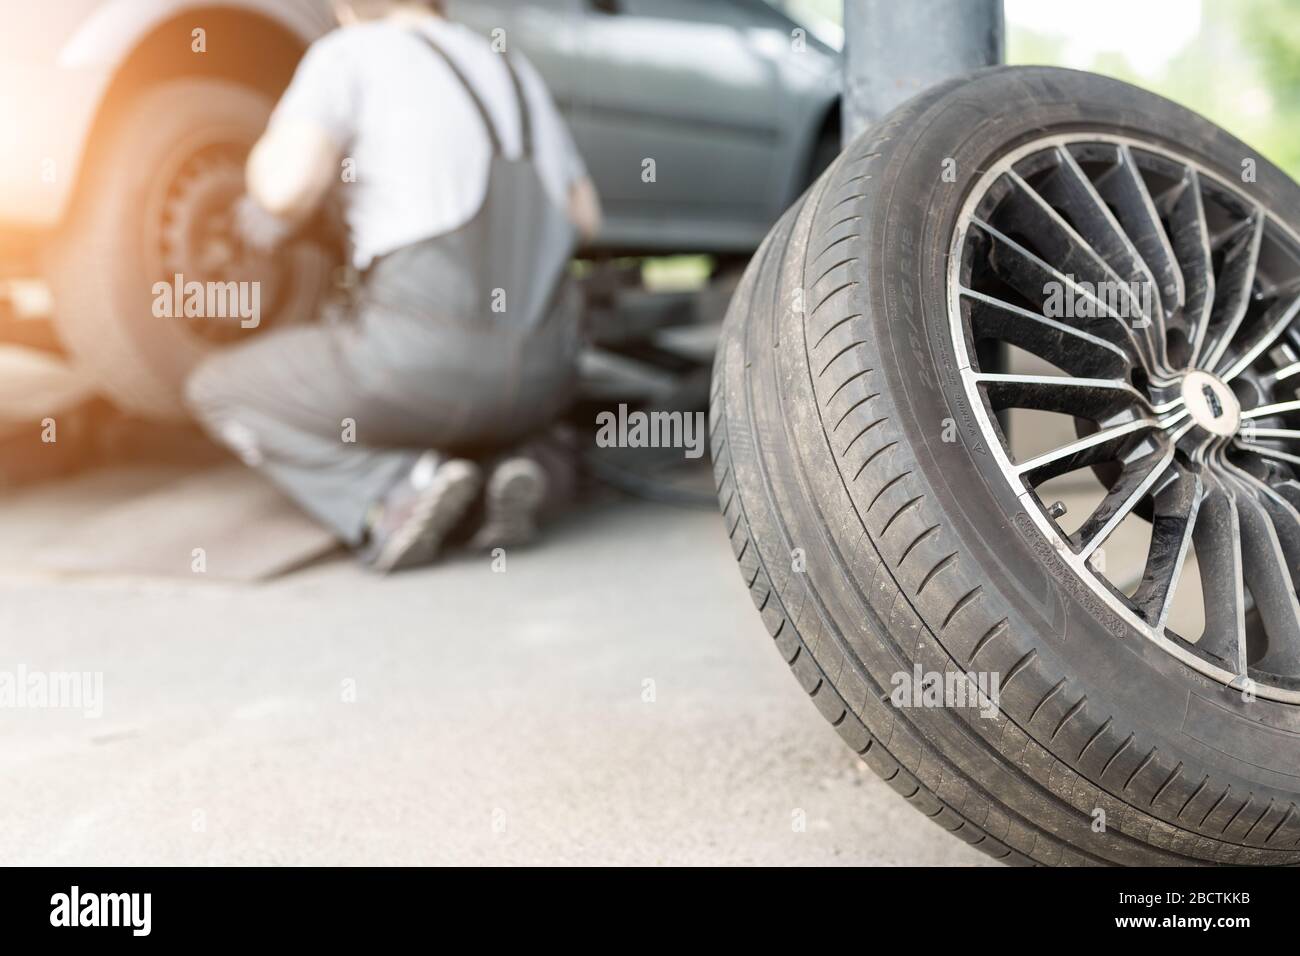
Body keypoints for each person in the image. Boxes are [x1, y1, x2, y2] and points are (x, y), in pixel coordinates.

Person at [185, 0, 602, 572]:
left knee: (218, 387)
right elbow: (585, 216)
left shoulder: (350, 54)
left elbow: (287, 188)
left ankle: (399, 492)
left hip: (422, 370)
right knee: (497, 405)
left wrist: (257, 186)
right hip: (543, 373)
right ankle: (518, 462)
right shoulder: (510, 67)